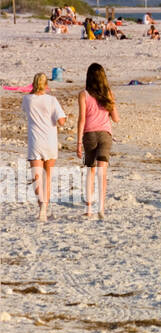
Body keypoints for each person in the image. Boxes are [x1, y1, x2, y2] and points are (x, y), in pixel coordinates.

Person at [76, 63, 119, 219]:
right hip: (105, 136)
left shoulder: (83, 94)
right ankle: (101, 208)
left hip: (89, 135)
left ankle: (89, 209)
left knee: (90, 171)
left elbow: (81, 119)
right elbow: (116, 118)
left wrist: (78, 143)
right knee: (102, 172)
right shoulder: (108, 93)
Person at [24, 73, 69, 221]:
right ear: (46, 85)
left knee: (37, 177)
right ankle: (45, 206)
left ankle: (41, 208)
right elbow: (61, 121)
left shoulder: (27, 99)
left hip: (35, 141)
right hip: (50, 142)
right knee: (47, 177)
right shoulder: (52, 100)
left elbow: (26, 111)